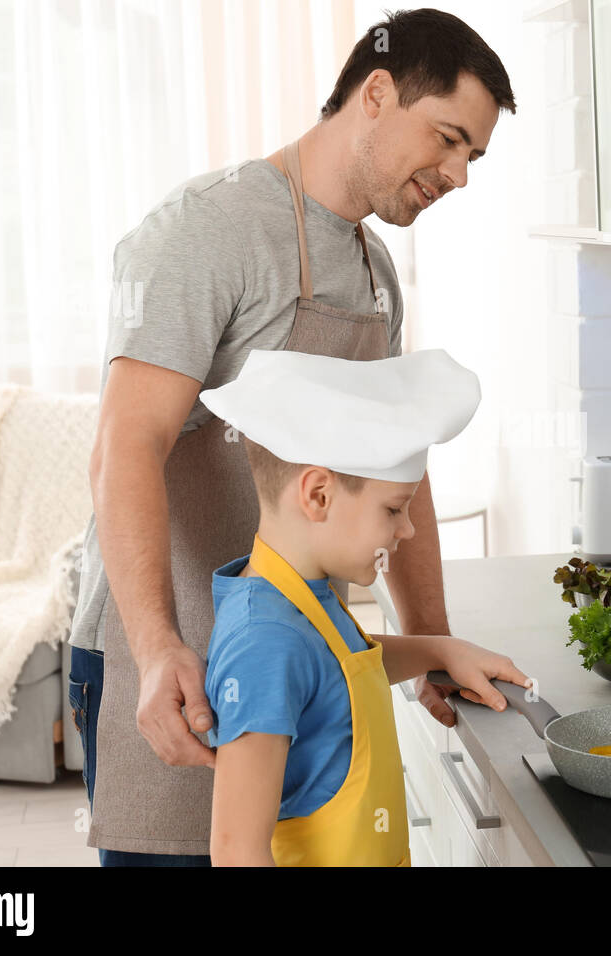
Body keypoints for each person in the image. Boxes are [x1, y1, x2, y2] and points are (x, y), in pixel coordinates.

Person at [66, 7, 516, 865]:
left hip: (297, 650)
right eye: (449, 138)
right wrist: (160, 649)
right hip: (174, 648)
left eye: (474, 157)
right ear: (377, 93)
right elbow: (125, 446)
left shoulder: (376, 273)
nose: (459, 174)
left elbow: (397, 465)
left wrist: (432, 649)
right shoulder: (208, 231)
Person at [199, 348, 527, 866]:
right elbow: (237, 850)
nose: (408, 529)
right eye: (394, 509)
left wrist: (441, 650)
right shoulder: (265, 642)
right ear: (319, 496)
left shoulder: (303, 597)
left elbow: (339, 674)